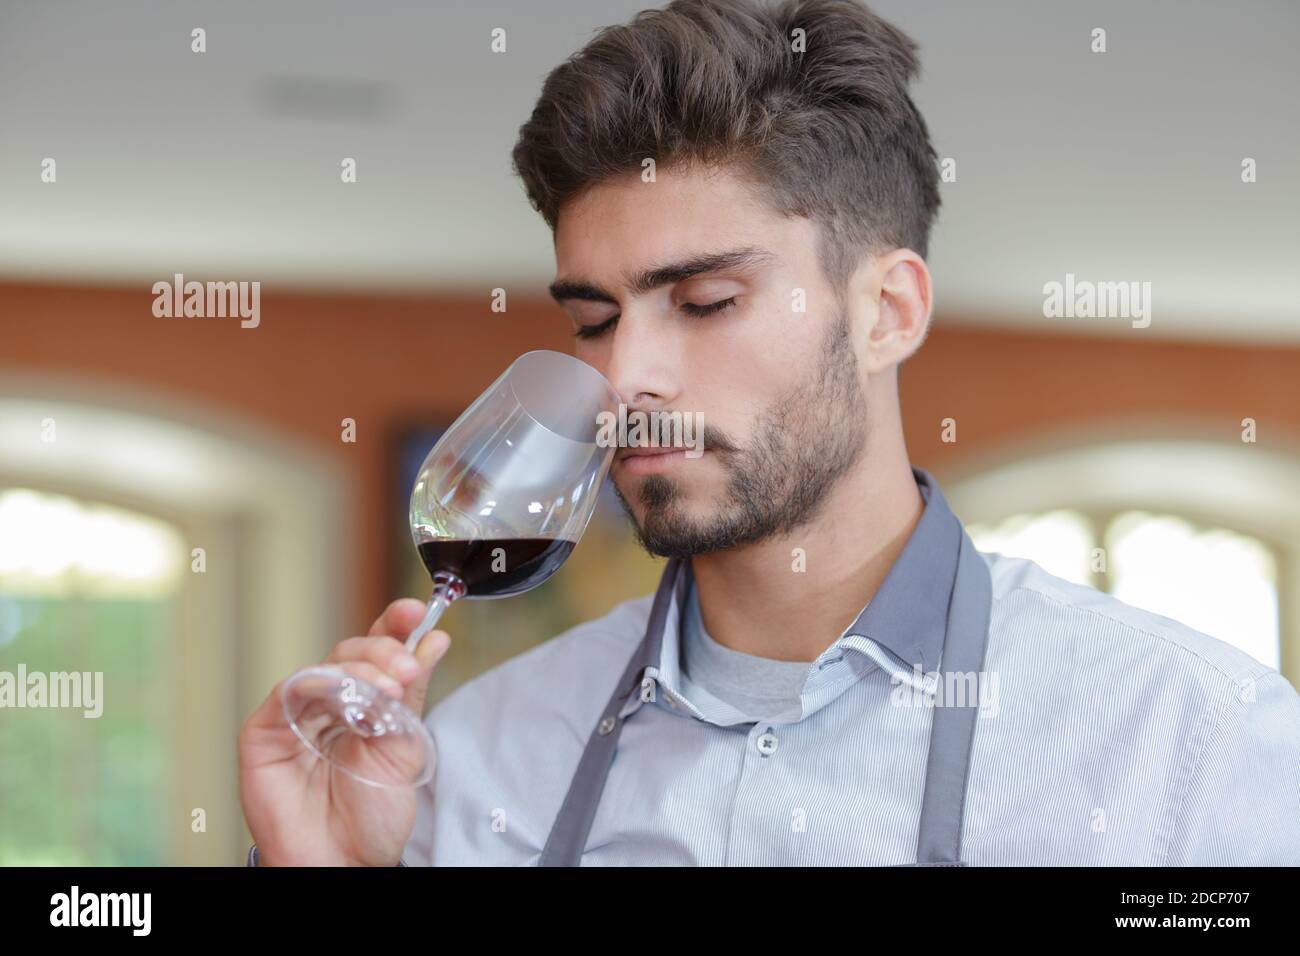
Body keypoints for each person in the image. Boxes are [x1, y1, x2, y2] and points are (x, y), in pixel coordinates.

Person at [238, 0, 1300, 866]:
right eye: (594, 319)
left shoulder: (1193, 741)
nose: (624, 375)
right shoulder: (469, 762)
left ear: (887, 311)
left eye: (704, 301)